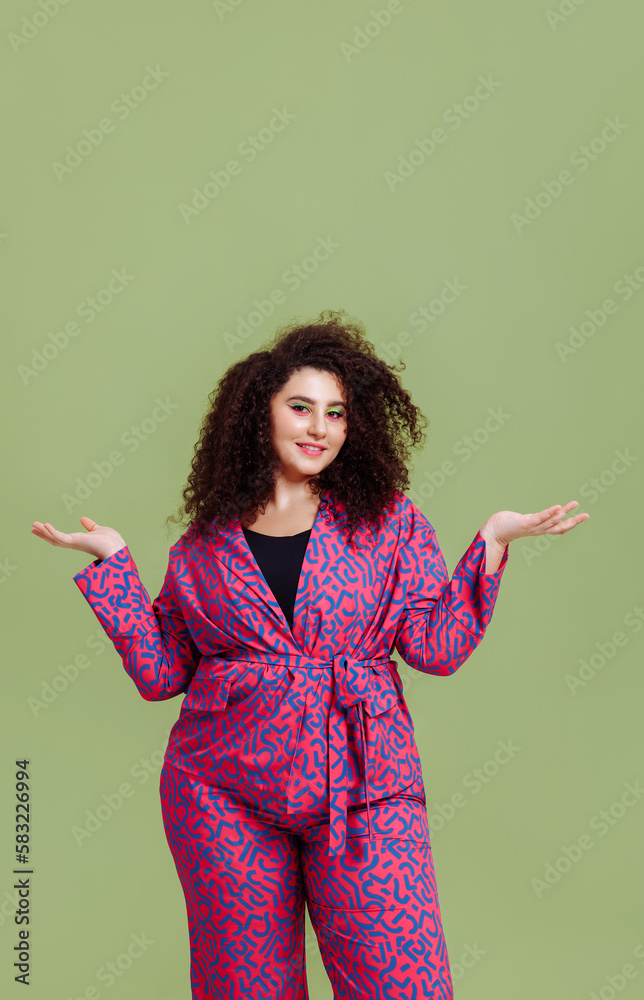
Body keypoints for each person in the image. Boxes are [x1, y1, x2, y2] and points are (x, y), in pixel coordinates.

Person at [31, 309, 589, 999]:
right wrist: (115, 564)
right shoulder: (202, 546)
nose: (318, 427)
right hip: (220, 793)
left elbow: (433, 648)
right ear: (257, 414)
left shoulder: (386, 521)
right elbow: (162, 673)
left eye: (336, 413)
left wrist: (491, 543)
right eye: (300, 407)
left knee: (399, 982)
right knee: (244, 988)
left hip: (365, 784)